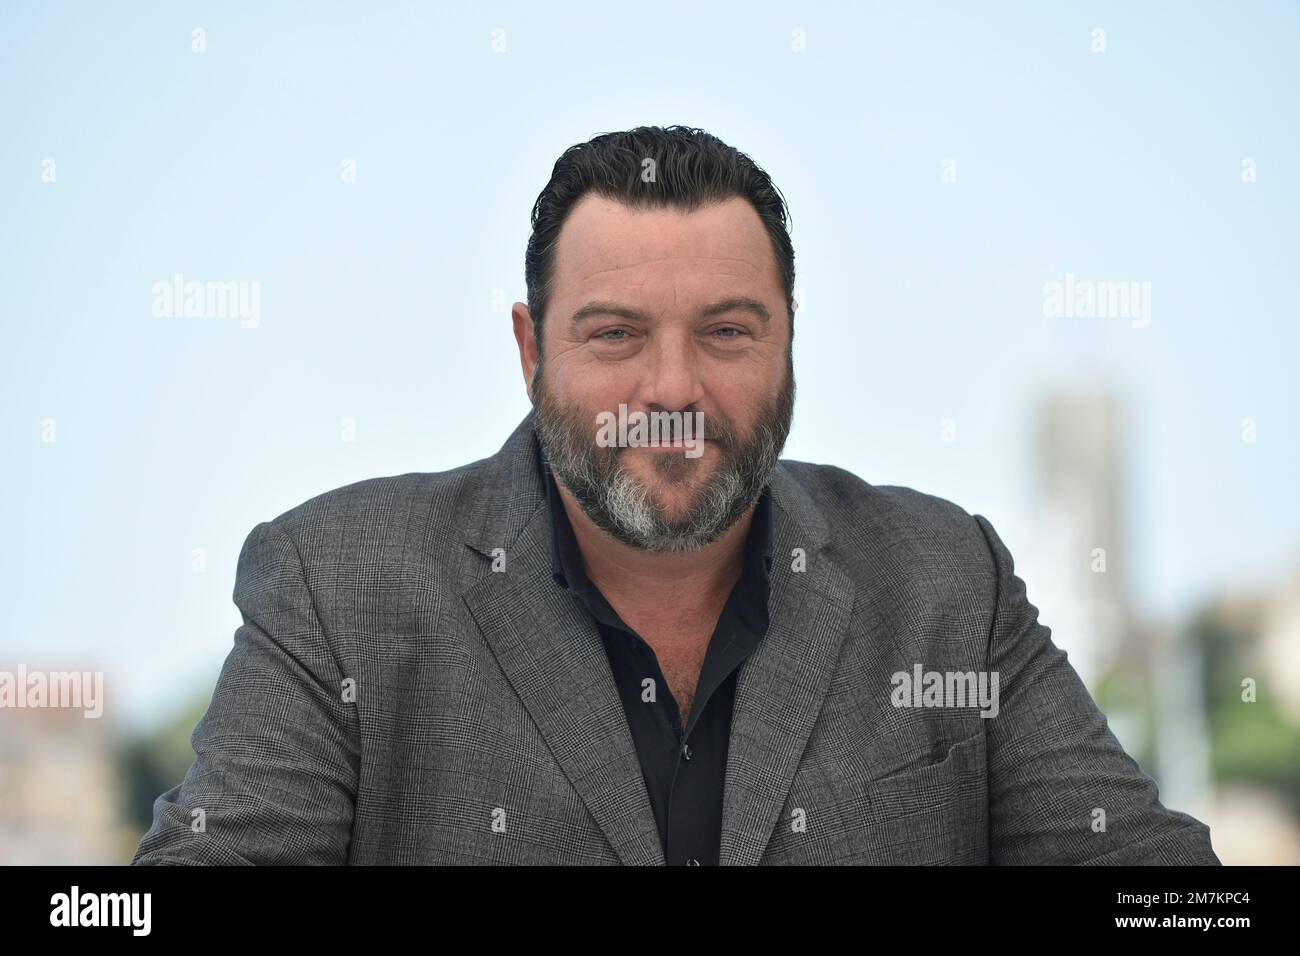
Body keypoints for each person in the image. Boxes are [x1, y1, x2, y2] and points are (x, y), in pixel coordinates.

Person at [133, 126, 1219, 865]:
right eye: (614, 335)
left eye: (725, 331)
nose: (672, 389)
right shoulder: (338, 584)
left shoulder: (948, 581)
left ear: (788, 343)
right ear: (530, 349)